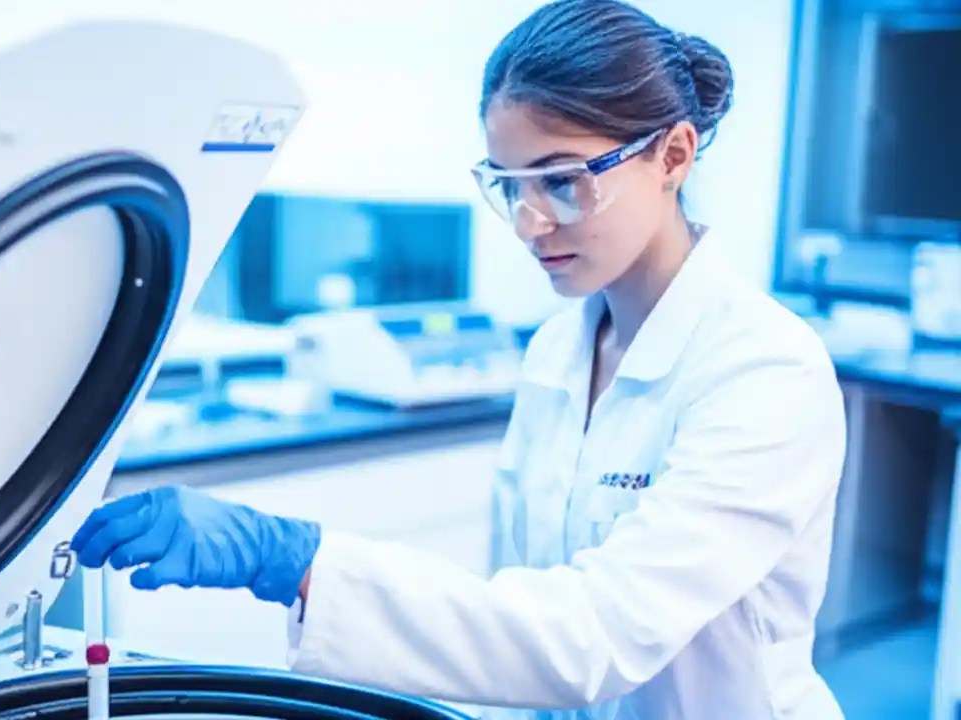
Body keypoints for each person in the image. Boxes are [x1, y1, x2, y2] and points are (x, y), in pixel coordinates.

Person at [70, 1, 849, 717]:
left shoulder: (764, 372)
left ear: (673, 155)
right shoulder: (556, 351)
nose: (531, 222)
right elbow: (520, 606)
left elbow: (592, 637)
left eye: (564, 181)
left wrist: (293, 558)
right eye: (510, 186)